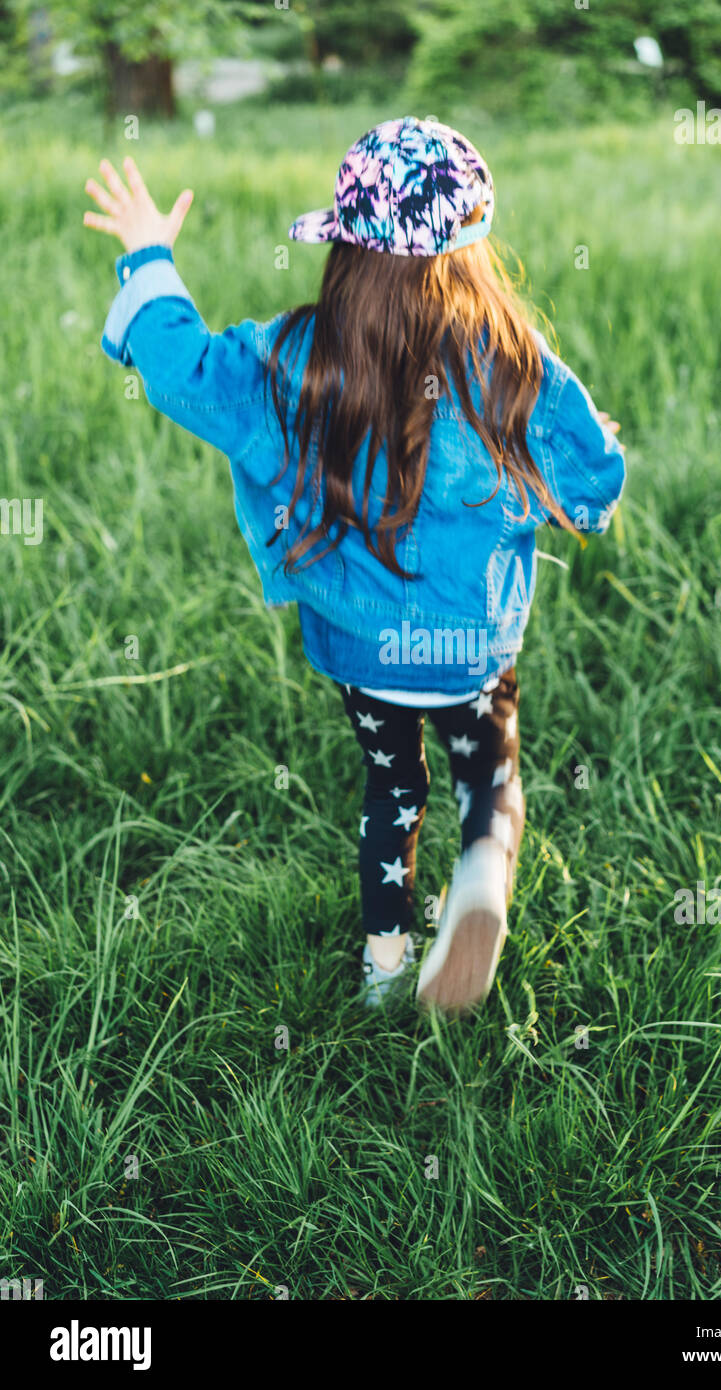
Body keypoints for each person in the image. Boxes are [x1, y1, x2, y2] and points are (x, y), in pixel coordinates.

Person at [84, 116, 626, 1013]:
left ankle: (384, 962)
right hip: (470, 652)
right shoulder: (513, 366)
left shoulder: (294, 362)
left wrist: (148, 258)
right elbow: (595, 484)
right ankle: (481, 875)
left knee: (392, 785)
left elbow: (181, 368)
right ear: (472, 253)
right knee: (488, 779)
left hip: (365, 658)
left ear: (344, 252)